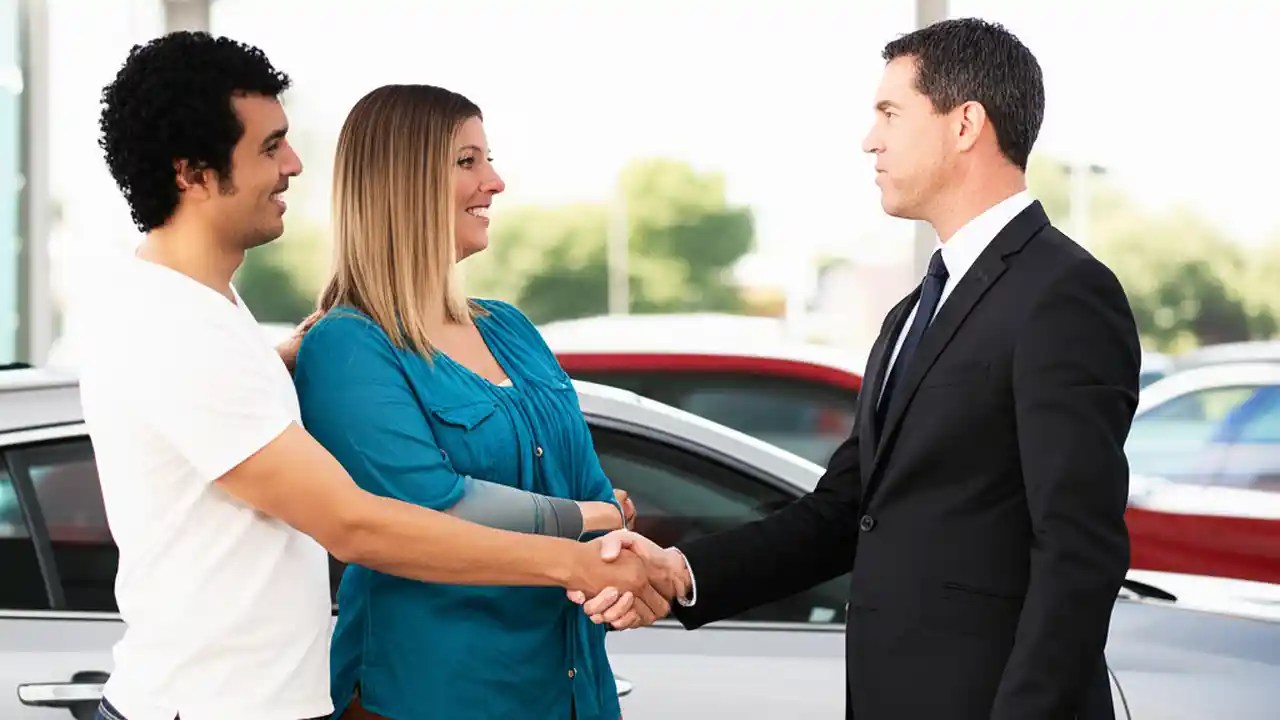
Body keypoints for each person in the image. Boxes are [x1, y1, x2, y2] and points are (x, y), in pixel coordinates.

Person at [80, 31, 655, 720]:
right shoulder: (178, 329)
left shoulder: (214, 317)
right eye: (269, 147)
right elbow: (359, 526)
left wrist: (301, 351)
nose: (294, 164)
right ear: (192, 174)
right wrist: (578, 553)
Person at [578, 18, 1141, 720]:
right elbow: (844, 512)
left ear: (965, 123)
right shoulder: (913, 313)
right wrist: (680, 571)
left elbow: (1078, 550)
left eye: (890, 113)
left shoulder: (1064, 294)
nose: (869, 138)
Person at [292, 83, 654, 720]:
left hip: (573, 691)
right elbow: (433, 508)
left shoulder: (510, 328)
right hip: (433, 694)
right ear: (401, 182)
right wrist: (591, 519)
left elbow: (603, 496)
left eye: (488, 159)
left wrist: (609, 548)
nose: (495, 181)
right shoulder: (349, 346)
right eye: (467, 162)